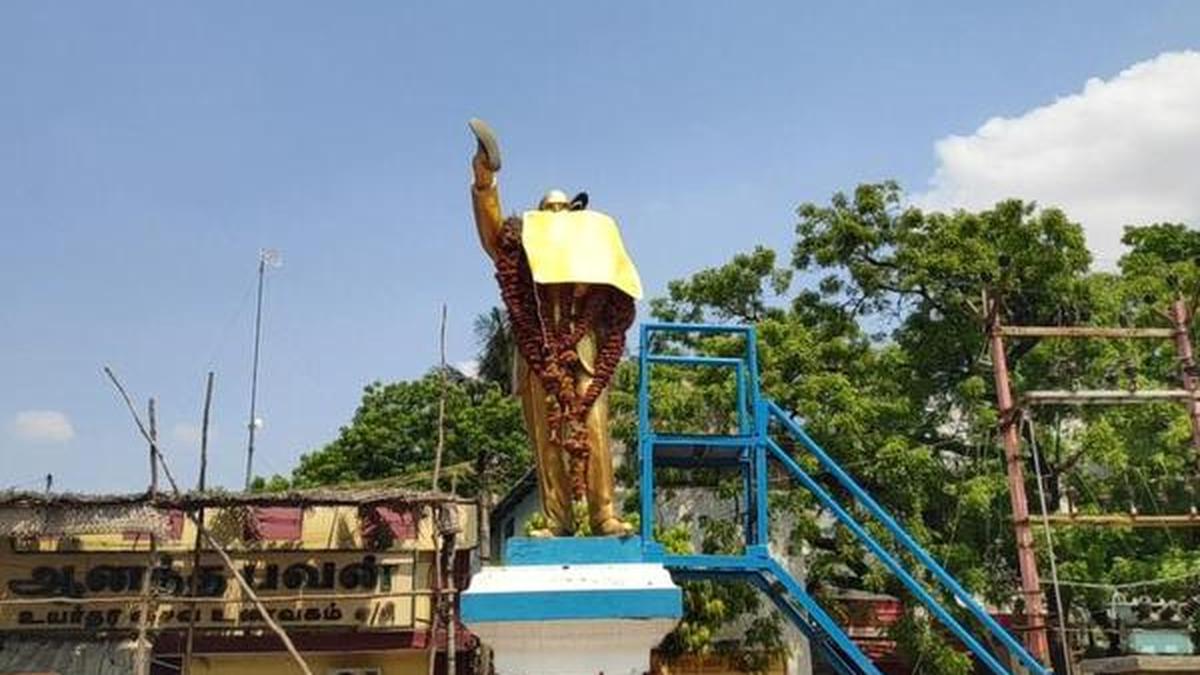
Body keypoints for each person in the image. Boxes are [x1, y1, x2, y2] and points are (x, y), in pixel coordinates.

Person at [468, 118, 638, 537]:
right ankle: (557, 521)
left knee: (595, 431)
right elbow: (493, 236)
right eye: (550, 211)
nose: (557, 218)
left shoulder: (593, 250)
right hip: (537, 356)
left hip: (584, 354)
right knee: (545, 442)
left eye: (564, 210)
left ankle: (604, 518)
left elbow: (619, 285)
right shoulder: (520, 250)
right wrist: (484, 180)